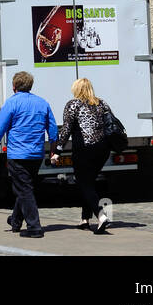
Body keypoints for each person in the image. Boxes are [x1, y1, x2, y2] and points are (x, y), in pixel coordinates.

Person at [0, 71, 58, 238]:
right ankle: (16, 221)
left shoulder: (11, 103)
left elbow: (0, 127)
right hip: (36, 155)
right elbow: (53, 129)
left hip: (17, 154)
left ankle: (34, 227)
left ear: (14, 86)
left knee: (24, 189)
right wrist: (53, 148)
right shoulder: (42, 103)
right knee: (25, 187)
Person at [51, 77, 113, 233]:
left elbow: (66, 130)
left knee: (84, 183)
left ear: (76, 89)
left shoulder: (73, 105)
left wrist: (57, 151)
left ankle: (101, 216)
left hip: (84, 150)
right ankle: (85, 219)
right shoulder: (102, 103)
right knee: (88, 182)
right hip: (103, 149)